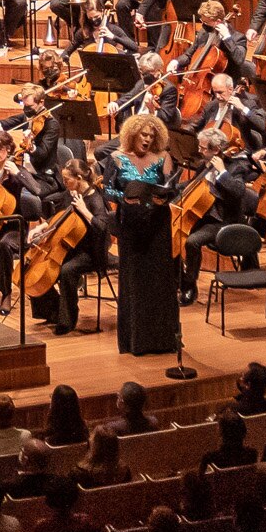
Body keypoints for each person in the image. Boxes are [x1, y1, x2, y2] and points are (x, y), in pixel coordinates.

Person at [104, 112, 191, 374]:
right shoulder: (117, 158)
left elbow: (170, 187)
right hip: (130, 224)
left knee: (159, 280)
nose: (147, 139)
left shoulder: (164, 158)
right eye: (143, 135)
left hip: (157, 223)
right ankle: (136, 341)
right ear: (132, 134)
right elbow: (108, 189)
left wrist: (161, 197)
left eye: (152, 136)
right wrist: (126, 198)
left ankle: (163, 340)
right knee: (135, 280)